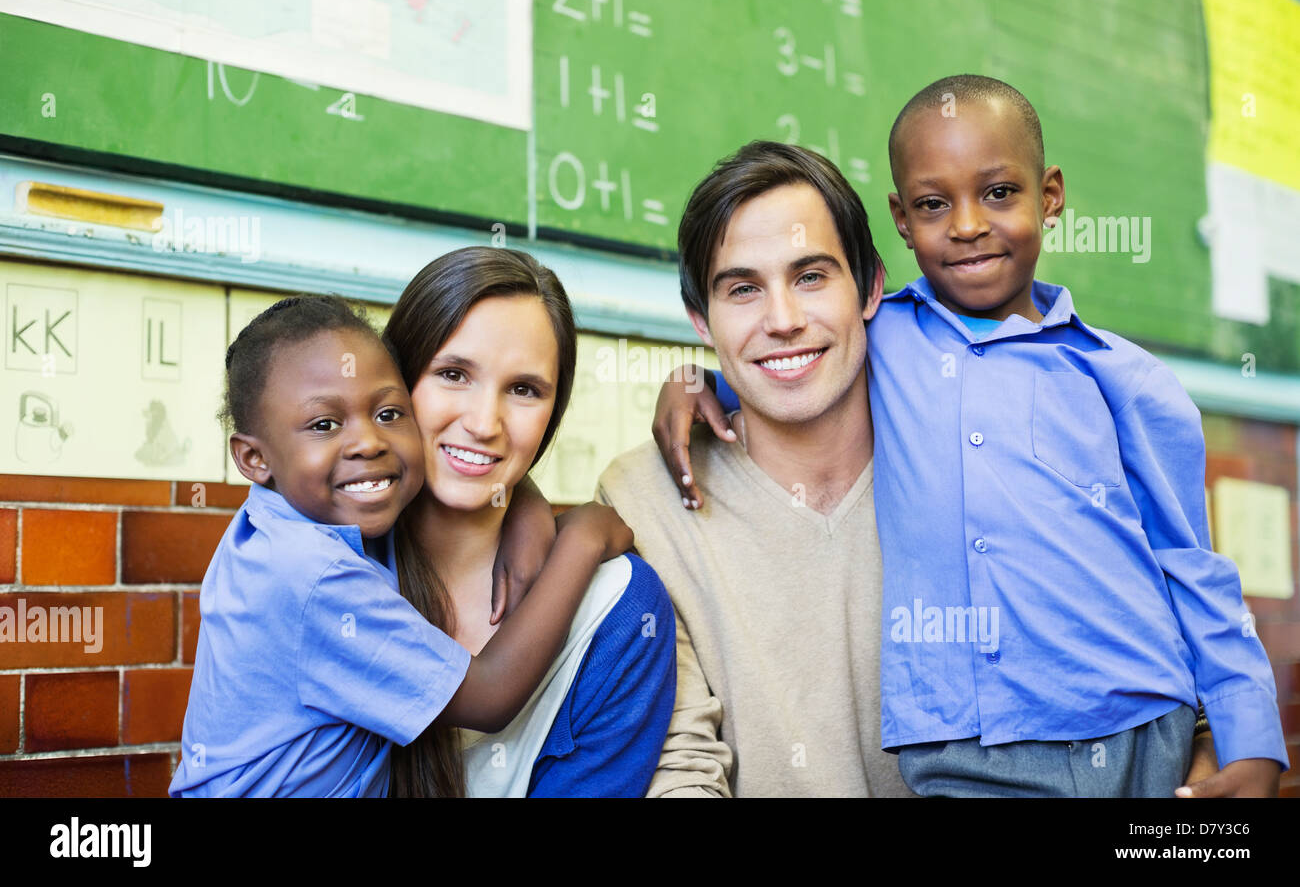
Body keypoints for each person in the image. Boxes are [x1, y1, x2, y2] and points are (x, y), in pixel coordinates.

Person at [653, 76, 1287, 796]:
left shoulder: (1126, 380)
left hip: (1140, 727)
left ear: (1049, 197)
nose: (965, 225)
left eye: (998, 193)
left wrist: (1251, 740)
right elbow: (784, 359)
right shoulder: (878, 335)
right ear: (900, 216)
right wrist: (696, 383)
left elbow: (1193, 567)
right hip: (963, 745)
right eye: (932, 204)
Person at [170, 294, 632, 797]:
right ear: (254, 459)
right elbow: (490, 697)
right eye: (324, 424)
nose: (369, 442)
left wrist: (523, 502)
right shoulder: (314, 575)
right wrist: (583, 539)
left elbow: (471, 464)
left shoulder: (290, 519)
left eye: (389, 413)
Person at [597, 141, 913, 796]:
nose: (784, 321)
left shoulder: (954, 451)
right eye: (743, 290)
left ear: (871, 287)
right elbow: (680, 763)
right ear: (701, 322)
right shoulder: (642, 499)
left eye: (811, 277)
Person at [383, 247, 675, 798]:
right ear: (394, 382)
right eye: (452, 374)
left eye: (524, 390)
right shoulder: (325, 561)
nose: (484, 423)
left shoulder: (617, 611)